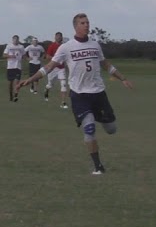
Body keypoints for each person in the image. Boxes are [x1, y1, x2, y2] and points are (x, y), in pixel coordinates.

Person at [17, 13, 133, 174]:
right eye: (83, 23)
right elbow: (49, 66)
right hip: (79, 95)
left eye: (87, 22)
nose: (86, 25)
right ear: (75, 26)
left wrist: (122, 78)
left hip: (99, 93)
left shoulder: (95, 45)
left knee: (111, 129)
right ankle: (98, 166)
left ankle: (99, 116)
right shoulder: (66, 47)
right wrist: (30, 79)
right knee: (89, 128)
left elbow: (105, 64)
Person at [45, 32, 69, 107]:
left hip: (61, 69)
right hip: (53, 68)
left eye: (60, 36)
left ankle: (63, 102)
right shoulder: (52, 46)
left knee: (63, 84)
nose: (58, 38)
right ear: (55, 37)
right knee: (50, 85)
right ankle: (46, 91)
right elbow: (47, 56)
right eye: (57, 36)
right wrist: (56, 60)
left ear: (61, 38)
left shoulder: (64, 46)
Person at [3, 35, 25, 102]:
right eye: (14, 39)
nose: (16, 40)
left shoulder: (21, 47)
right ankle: (11, 96)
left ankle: (16, 95)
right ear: (12, 40)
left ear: (18, 40)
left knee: (17, 82)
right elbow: (4, 55)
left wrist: (21, 58)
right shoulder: (9, 46)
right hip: (10, 67)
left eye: (17, 39)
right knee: (10, 83)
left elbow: (24, 55)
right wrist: (11, 56)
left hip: (18, 66)